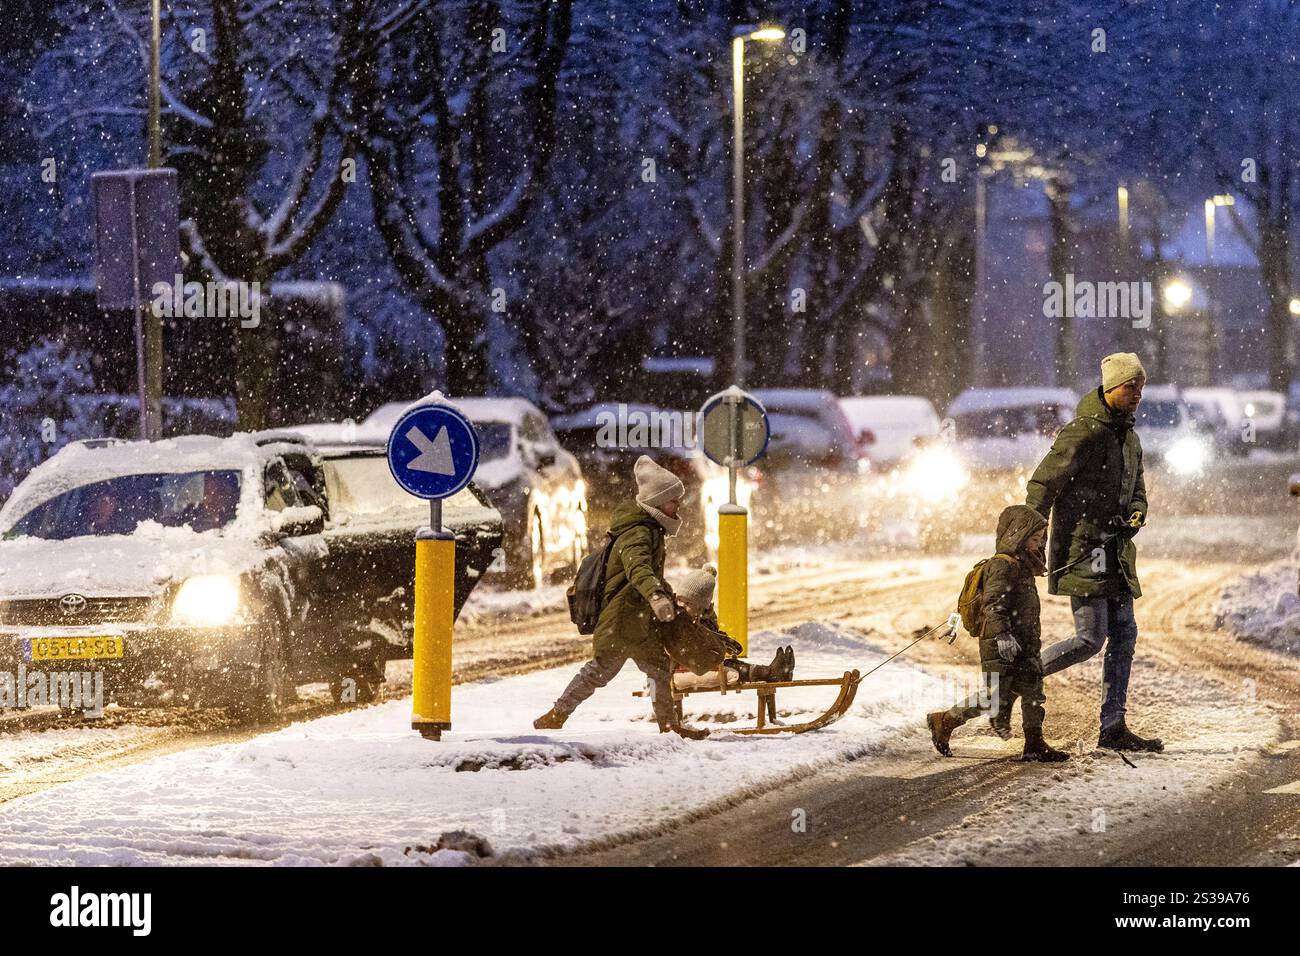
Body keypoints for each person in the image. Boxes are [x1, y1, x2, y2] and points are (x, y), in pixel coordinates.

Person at [1019, 352, 1163, 752]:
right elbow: (1042, 484)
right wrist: (1031, 531)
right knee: (1088, 639)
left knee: (1124, 636)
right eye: (1130, 386)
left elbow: (1138, 492)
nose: (1137, 393)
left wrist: (1136, 512)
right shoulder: (1083, 432)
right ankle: (1022, 676)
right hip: (1084, 552)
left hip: (1115, 553)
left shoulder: (1130, 439)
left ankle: (1113, 726)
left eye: (1141, 386)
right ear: (1110, 387)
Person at [534, 455, 710, 739]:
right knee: (599, 671)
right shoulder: (638, 532)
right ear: (656, 501)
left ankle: (669, 725)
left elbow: (648, 572)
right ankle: (557, 714)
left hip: (639, 620)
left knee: (658, 670)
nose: (678, 506)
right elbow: (638, 568)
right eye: (673, 500)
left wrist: (664, 594)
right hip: (621, 619)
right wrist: (656, 596)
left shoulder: (650, 530)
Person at [927, 505, 1069, 762]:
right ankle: (945, 720)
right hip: (1000, 641)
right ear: (1018, 536)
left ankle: (1034, 742)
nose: (1038, 545)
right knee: (995, 695)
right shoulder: (1002, 565)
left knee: (1033, 689)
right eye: (1034, 539)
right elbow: (993, 603)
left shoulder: (1024, 565)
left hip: (1024, 641)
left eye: (1040, 540)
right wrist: (1002, 634)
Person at [670, 565, 794, 691]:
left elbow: (709, 635)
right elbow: (692, 644)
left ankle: (772, 672)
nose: (682, 606)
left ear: (702, 607)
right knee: (732, 669)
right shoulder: (679, 620)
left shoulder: (701, 619)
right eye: (679, 600)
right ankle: (770, 674)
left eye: (689, 603)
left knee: (731, 665)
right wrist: (716, 642)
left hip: (699, 664)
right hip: (684, 668)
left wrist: (723, 639)